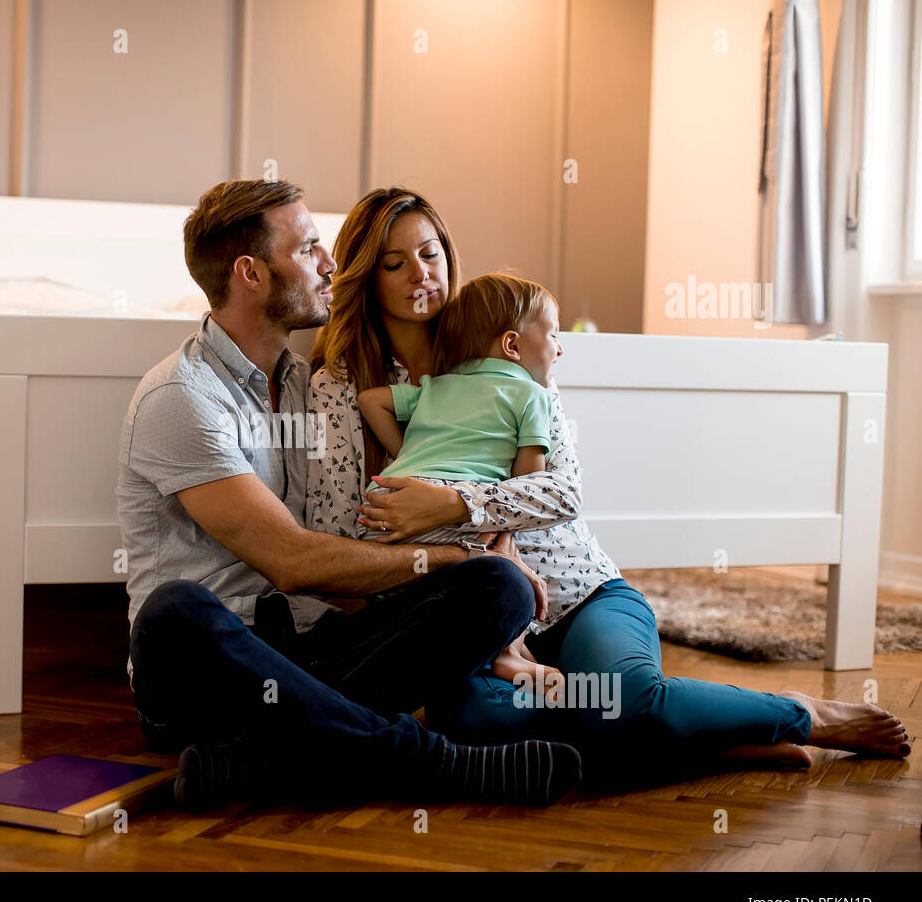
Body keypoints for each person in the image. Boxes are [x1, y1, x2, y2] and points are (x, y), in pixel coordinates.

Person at [308, 186, 910, 788]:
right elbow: (336, 537)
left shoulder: (506, 352)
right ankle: (708, 735)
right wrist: (456, 559)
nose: (421, 274)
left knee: (618, 697)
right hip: (469, 621)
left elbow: (561, 494)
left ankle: (799, 714)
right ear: (367, 278)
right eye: (394, 263)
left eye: (431, 254)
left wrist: (455, 504)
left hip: (579, 593)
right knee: (470, 717)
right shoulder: (340, 386)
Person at [117, 178, 582, 812]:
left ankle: (254, 766)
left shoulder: (309, 386)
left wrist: (477, 561)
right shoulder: (182, 397)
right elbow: (294, 562)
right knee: (175, 611)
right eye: (309, 248)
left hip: (311, 656)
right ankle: (439, 768)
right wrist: (460, 556)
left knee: (496, 590)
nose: (331, 264)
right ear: (250, 273)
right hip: (208, 675)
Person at [355, 272, 566, 688]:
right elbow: (527, 485)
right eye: (555, 335)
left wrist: (408, 456)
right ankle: (507, 655)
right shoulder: (533, 396)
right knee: (505, 568)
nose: (560, 348)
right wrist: (504, 539)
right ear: (512, 345)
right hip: (447, 517)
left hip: (383, 509)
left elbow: (370, 400)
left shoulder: (437, 386)